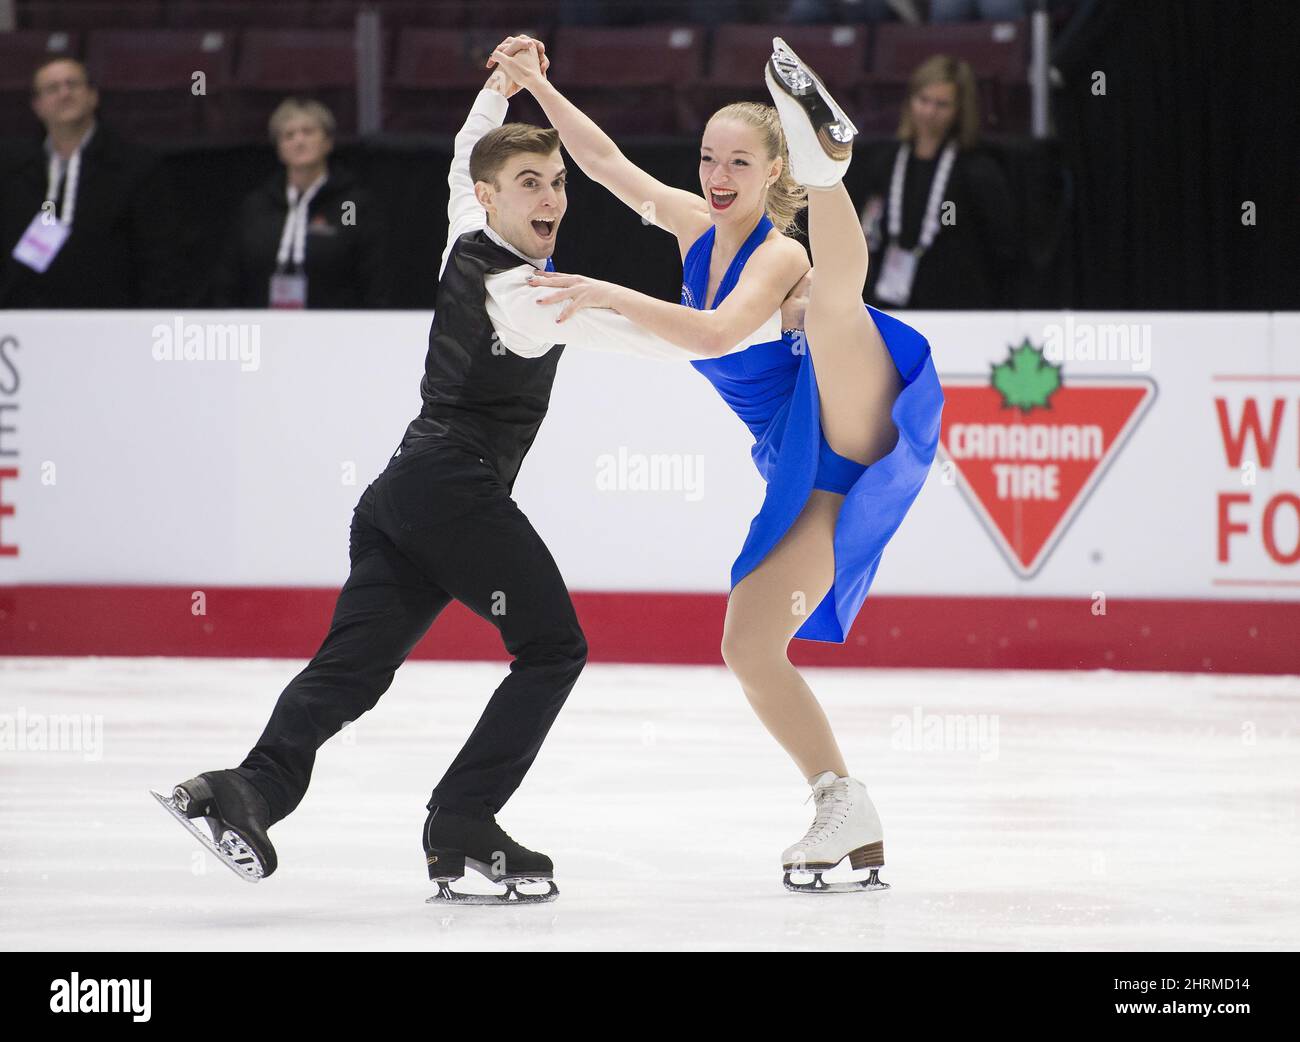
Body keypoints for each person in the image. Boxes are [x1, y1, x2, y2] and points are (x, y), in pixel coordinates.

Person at [153, 46, 785, 904]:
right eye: (531, 183)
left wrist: (503, 81)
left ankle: (246, 790)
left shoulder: (464, 228)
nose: (553, 197)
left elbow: (466, 150)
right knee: (555, 648)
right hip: (450, 487)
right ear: (496, 199)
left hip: (402, 494)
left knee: (352, 671)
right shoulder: (529, 293)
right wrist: (753, 322)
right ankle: (461, 818)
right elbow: (680, 340)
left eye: (556, 182)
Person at [489, 36, 943, 892]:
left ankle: (831, 165)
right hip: (801, 465)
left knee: (838, 310)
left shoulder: (779, 253)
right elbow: (607, 164)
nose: (717, 174)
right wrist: (538, 89)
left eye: (739, 160)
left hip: (843, 409)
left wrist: (607, 292)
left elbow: (715, 333)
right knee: (749, 644)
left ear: (775, 174)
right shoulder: (696, 228)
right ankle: (844, 805)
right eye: (707, 157)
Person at [0, 57, 178, 308]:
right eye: (52, 88)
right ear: (37, 106)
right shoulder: (12, 170)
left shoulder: (135, 167)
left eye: (72, 84)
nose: (64, 93)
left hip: (110, 319)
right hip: (27, 321)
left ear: (93, 96)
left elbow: (159, 256)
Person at [858, 55, 1018, 309]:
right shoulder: (886, 162)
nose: (930, 112)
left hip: (959, 305)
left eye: (942, 104)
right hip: (891, 300)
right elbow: (870, 227)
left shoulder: (977, 169)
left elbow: (1004, 246)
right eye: (923, 100)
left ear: (959, 110)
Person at [211, 98, 390, 309]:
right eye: (289, 135)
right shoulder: (257, 206)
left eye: (308, 132)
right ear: (278, 148)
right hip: (264, 327)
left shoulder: (352, 205)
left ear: (328, 141)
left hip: (336, 330)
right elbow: (230, 277)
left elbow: (374, 278)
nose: (299, 141)